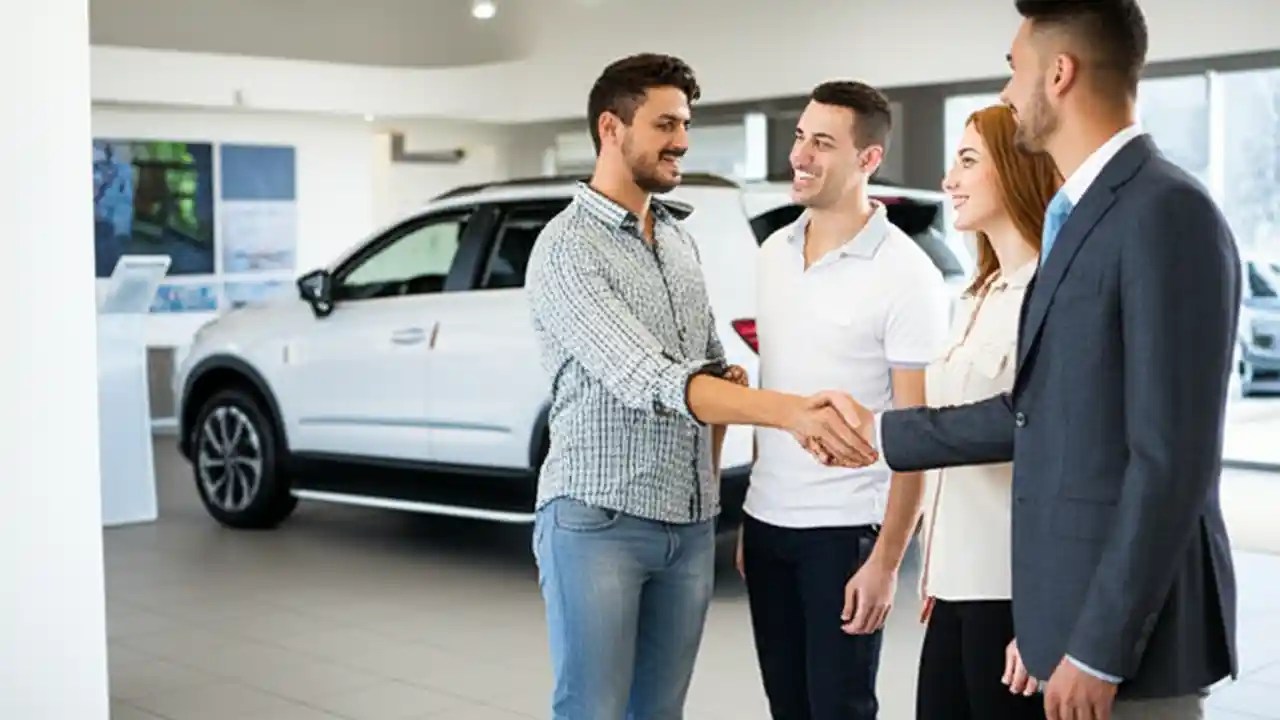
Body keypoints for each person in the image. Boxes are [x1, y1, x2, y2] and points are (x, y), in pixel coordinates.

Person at [806, 2, 1241, 718]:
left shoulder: (1165, 209)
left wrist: (1098, 646)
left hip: (1129, 650)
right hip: (1066, 627)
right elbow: (1037, 414)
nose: (1009, 92)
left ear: (1059, 74)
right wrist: (878, 434)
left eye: (1015, 70)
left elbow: (1171, 462)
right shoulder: (1082, 219)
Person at [524, 53, 876, 720]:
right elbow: (653, 379)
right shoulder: (567, 247)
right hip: (597, 522)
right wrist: (791, 413)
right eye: (664, 124)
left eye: (684, 122)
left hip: (685, 530)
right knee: (591, 711)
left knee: (660, 713)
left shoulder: (678, 240)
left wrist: (711, 497)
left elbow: (709, 367)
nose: (682, 140)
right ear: (611, 127)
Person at [735, 80, 949, 720]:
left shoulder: (907, 274)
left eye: (822, 143)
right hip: (768, 521)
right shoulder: (773, 251)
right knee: (787, 705)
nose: (800, 155)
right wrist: (754, 510)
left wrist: (886, 560)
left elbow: (918, 434)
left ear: (868, 160)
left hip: (844, 536)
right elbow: (774, 386)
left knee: (839, 709)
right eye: (800, 137)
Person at [914, 103, 1058, 720]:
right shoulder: (977, 296)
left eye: (968, 161)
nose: (949, 180)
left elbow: (1059, 460)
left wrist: (1046, 615)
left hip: (1010, 592)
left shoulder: (1049, 293)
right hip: (953, 584)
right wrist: (932, 561)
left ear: (1019, 169)